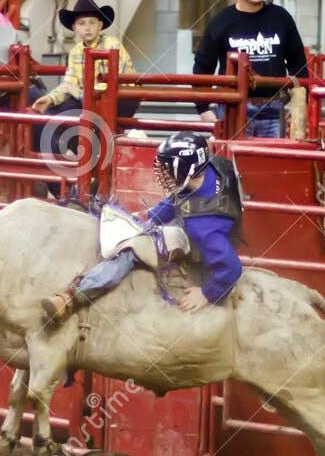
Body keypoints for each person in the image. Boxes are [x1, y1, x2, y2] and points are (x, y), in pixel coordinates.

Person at [42, 132, 243, 325]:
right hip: (201, 216)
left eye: (167, 168)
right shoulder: (210, 169)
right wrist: (147, 217)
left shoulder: (203, 227)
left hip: (193, 240)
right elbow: (180, 200)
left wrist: (207, 293)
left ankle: (73, 298)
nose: (162, 172)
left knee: (132, 250)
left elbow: (231, 267)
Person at [192, 0, 308, 139]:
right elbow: (202, 66)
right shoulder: (221, 22)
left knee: (271, 163)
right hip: (233, 108)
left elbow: (298, 62)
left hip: (273, 106)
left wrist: (299, 104)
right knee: (233, 163)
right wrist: (203, 109)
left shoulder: (281, 18)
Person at [30, 0, 136, 168]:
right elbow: (69, 83)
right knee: (54, 113)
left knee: (89, 113)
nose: (87, 27)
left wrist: (79, 92)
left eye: (92, 22)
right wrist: (49, 99)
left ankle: (94, 161)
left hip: (119, 98)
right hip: (89, 100)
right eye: (81, 23)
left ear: (100, 25)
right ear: (74, 28)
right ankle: (77, 165)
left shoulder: (112, 44)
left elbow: (111, 85)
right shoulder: (76, 51)